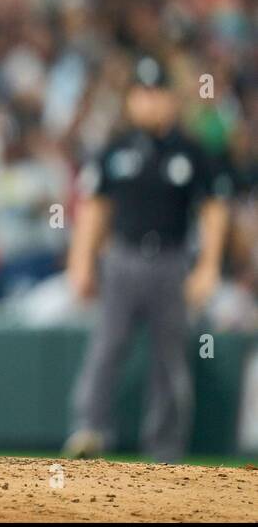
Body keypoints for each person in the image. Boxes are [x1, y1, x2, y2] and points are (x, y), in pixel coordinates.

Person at [64, 55, 232, 462]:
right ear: (130, 100)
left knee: (169, 361)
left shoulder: (191, 152)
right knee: (105, 349)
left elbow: (214, 209)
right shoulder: (115, 150)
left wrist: (209, 266)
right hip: (122, 260)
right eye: (141, 94)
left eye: (156, 94)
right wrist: (81, 262)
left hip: (171, 262)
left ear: (171, 100)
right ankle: (90, 431)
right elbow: (95, 208)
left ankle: (165, 450)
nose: (149, 102)